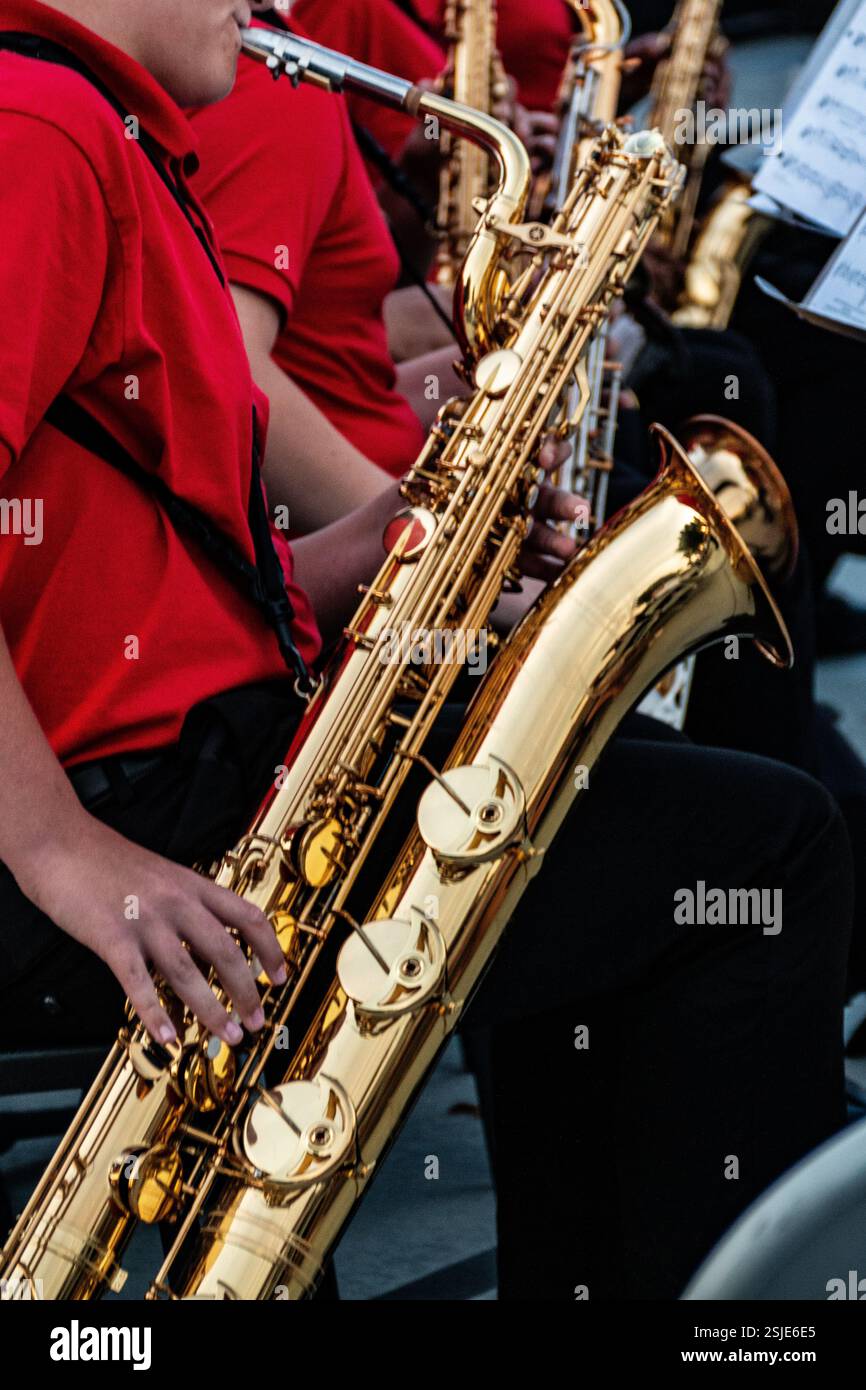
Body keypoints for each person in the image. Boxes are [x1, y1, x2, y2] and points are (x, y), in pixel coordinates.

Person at [0, 0, 855, 1302]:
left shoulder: (94, 122)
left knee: (622, 830)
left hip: (177, 764)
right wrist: (69, 854)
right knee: (758, 848)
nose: (265, 5)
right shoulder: (37, 130)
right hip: (140, 812)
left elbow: (123, 556)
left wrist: (388, 544)